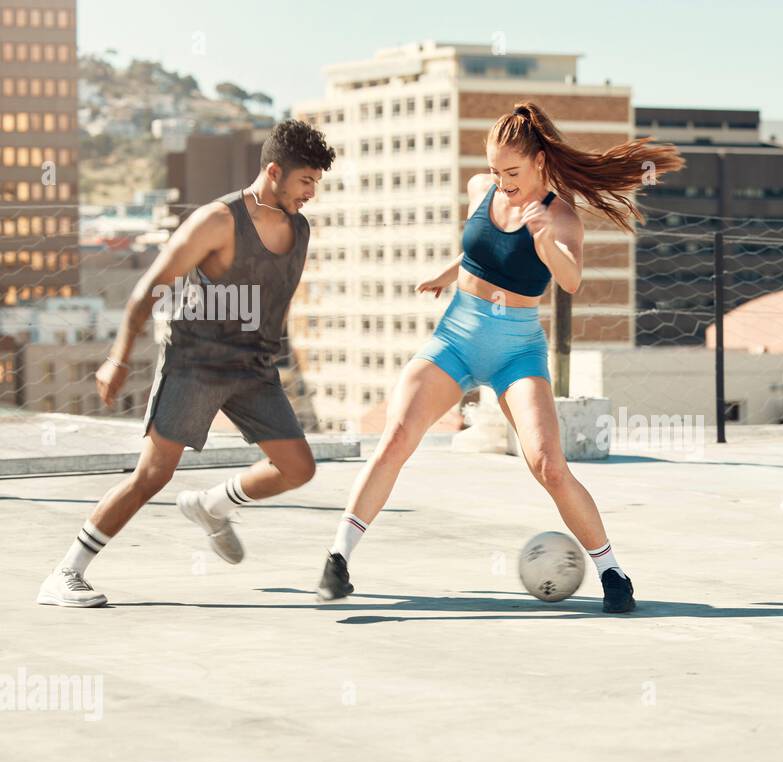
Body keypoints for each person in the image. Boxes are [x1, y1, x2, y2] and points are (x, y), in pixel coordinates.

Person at [317, 102, 683, 614]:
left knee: (549, 466)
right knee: (398, 437)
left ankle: (613, 573)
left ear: (538, 162)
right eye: (494, 170)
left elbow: (571, 279)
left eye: (511, 172)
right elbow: (479, 247)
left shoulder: (560, 217)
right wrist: (447, 276)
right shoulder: (479, 190)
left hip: (517, 350)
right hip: (456, 336)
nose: (501, 180)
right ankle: (338, 558)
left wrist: (543, 239)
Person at [37, 120, 333, 607]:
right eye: (306, 182)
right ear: (275, 172)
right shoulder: (217, 221)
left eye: (317, 184)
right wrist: (117, 358)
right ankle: (66, 572)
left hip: (253, 368)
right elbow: (147, 287)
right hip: (195, 362)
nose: (311, 194)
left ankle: (211, 506)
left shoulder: (300, 228)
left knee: (298, 467)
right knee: (152, 475)